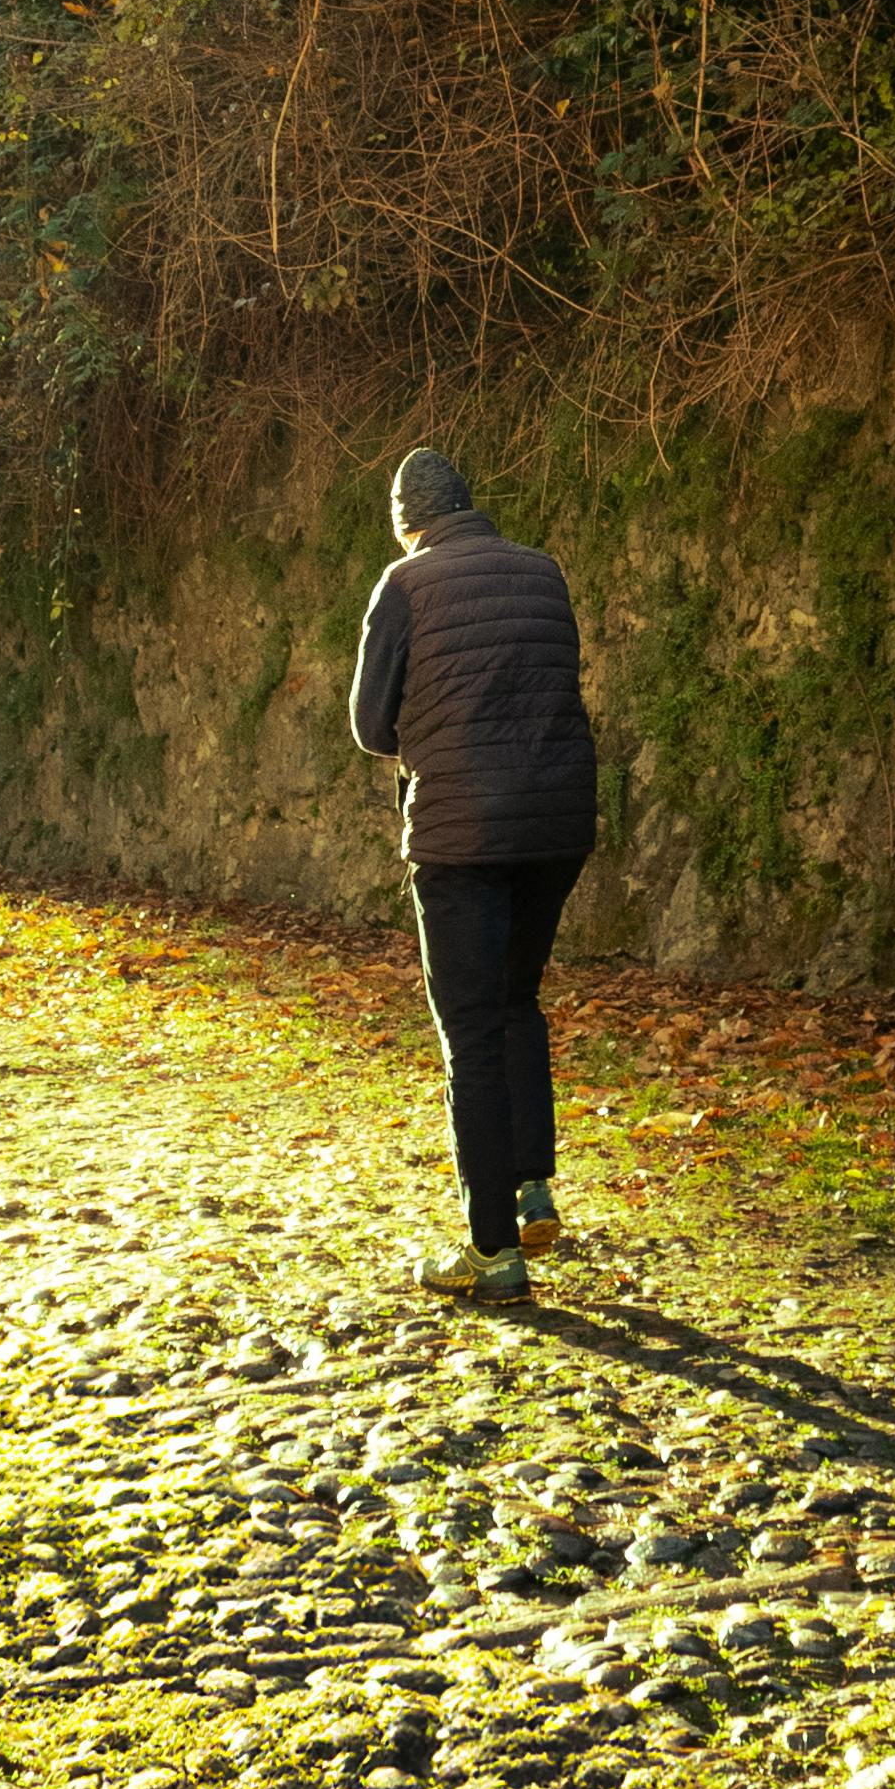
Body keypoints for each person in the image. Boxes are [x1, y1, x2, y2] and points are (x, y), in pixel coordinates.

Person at [347, 445, 601, 1304]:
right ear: (469, 502)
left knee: (471, 1032)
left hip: (460, 835)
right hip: (557, 825)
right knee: (516, 998)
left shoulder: (404, 583)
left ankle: (492, 1253)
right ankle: (532, 1190)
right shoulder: (543, 572)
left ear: (402, 516)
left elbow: (369, 726)